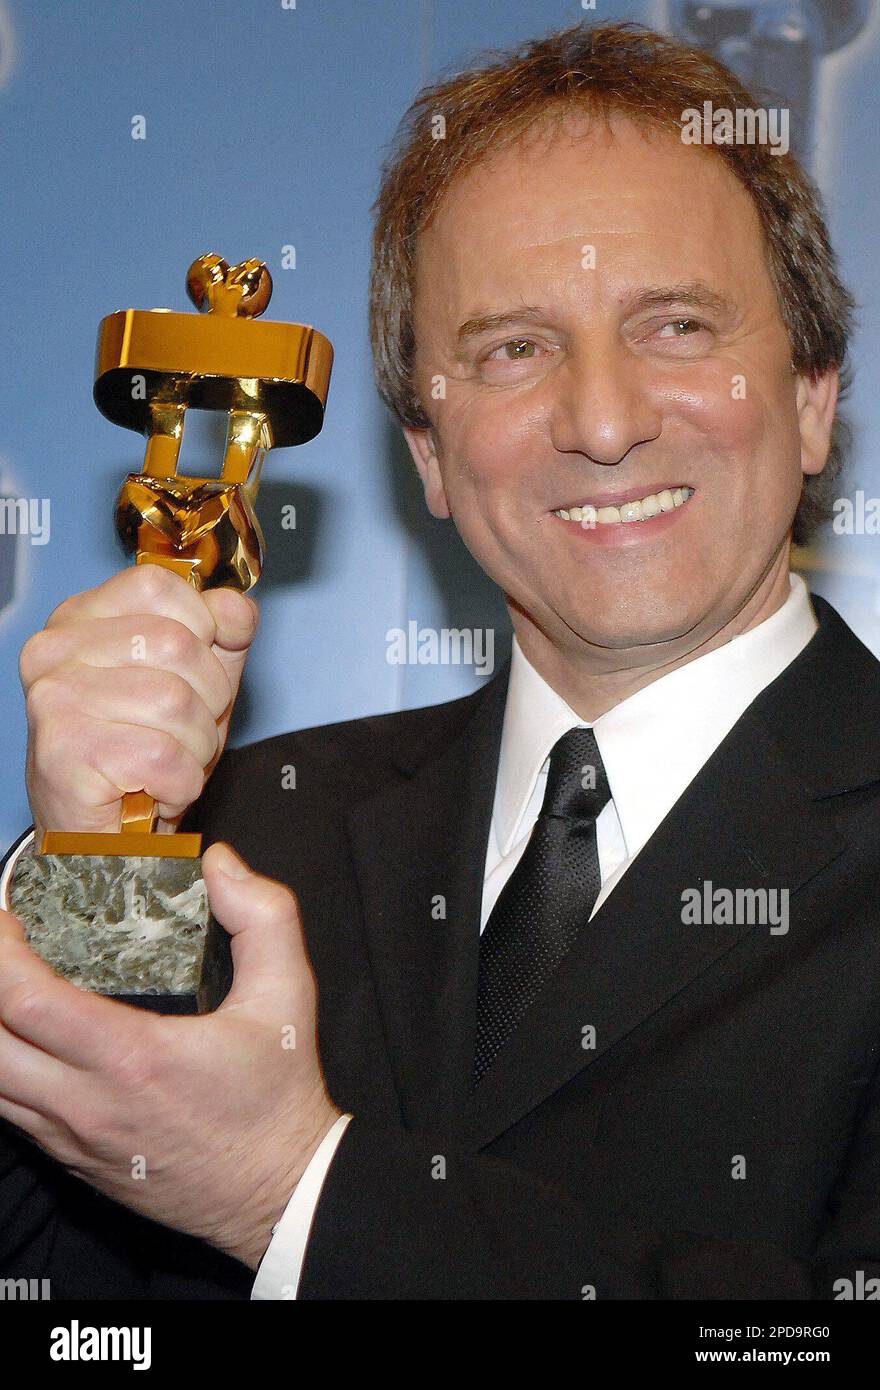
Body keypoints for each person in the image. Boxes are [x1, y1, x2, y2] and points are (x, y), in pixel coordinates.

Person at [0, 20, 877, 1300]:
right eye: (513, 348)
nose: (603, 420)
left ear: (810, 397)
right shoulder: (237, 845)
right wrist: (90, 876)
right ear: (426, 450)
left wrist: (293, 1193)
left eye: (676, 326)